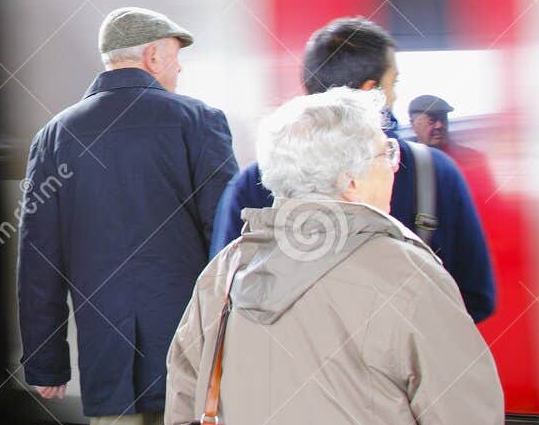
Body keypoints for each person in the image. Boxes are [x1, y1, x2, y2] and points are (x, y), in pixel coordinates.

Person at [166, 88, 519, 425]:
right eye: (386, 151)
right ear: (350, 179)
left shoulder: (223, 274)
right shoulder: (408, 276)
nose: (395, 164)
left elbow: (184, 420)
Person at [17, 7, 236, 425]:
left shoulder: (58, 135)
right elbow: (230, 245)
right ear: (151, 55)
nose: (180, 65)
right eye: (175, 53)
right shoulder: (200, 123)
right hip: (197, 358)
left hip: (110, 355)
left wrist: (45, 362)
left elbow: (39, 259)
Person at [212, 17, 496, 322]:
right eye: (393, 84)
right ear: (369, 91)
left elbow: (225, 298)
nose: (396, 96)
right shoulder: (433, 172)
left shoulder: (255, 182)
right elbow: (476, 296)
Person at [409, 93, 498, 195]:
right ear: (413, 124)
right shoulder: (403, 164)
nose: (439, 125)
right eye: (432, 120)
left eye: (443, 119)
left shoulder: (472, 159)